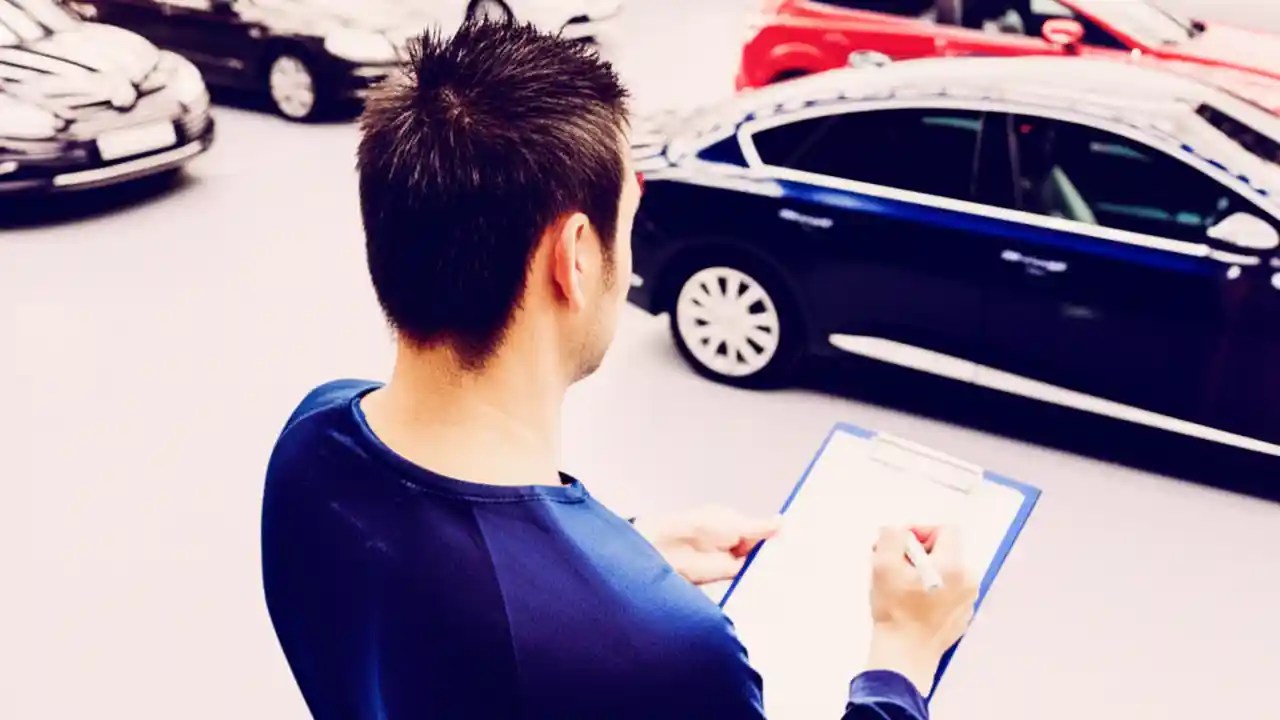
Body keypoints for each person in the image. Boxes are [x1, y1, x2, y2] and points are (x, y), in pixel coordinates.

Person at [260, 19, 980, 720]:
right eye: (628, 219)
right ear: (575, 257)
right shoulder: (668, 658)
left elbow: (440, 582)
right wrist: (901, 659)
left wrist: (620, 553)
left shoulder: (311, 439)